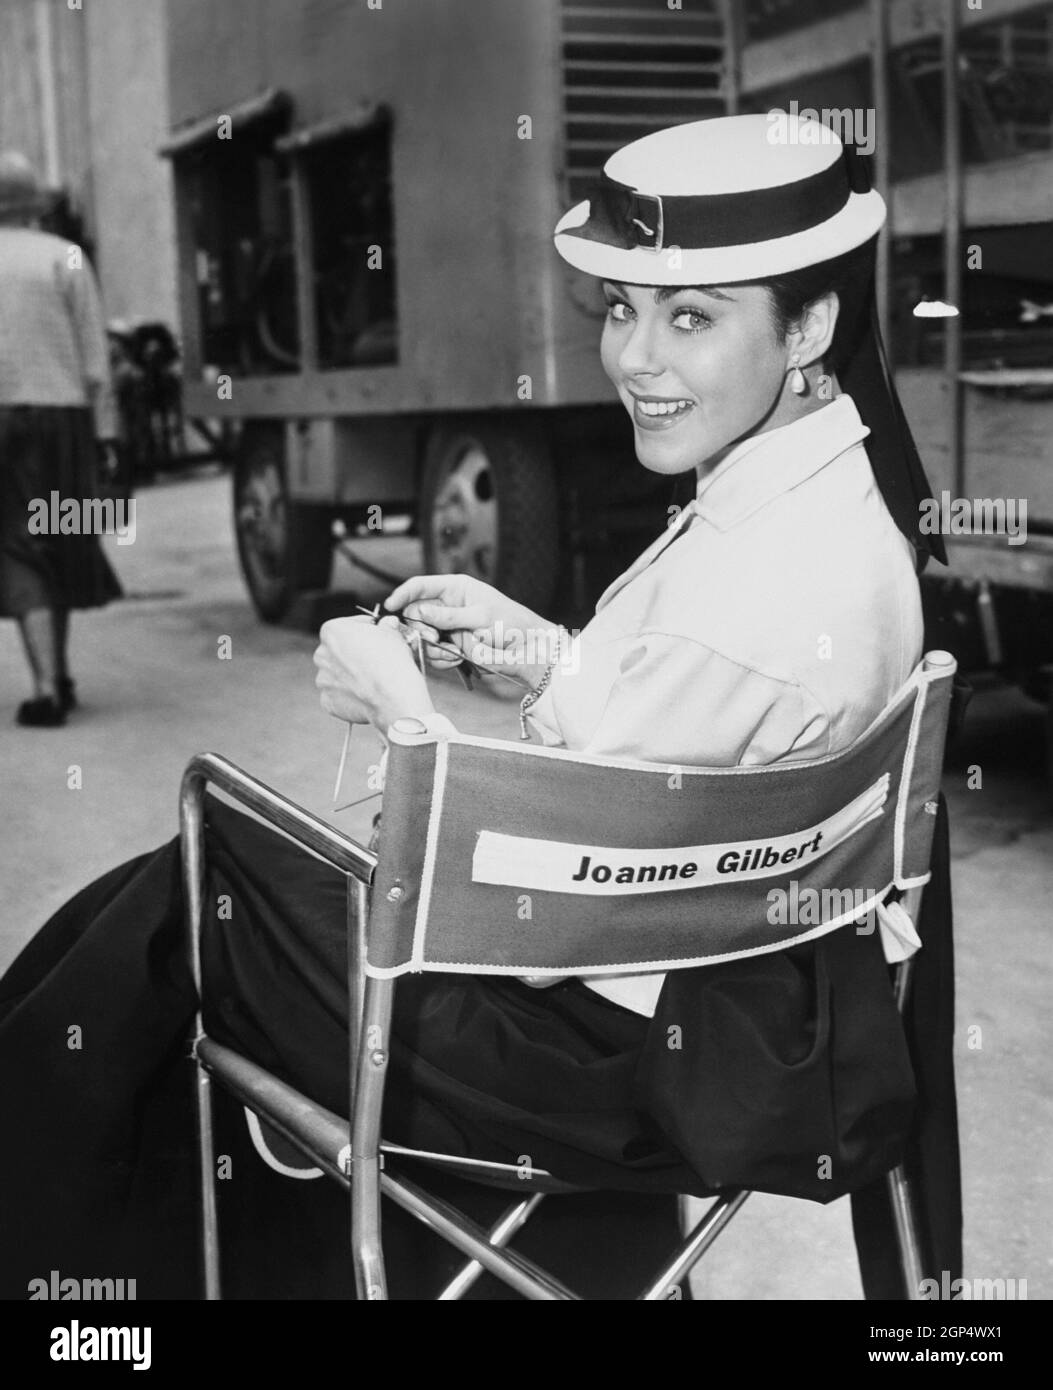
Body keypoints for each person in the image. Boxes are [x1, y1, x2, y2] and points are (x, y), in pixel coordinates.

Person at [0, 115, 959, 1299]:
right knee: (167, 902)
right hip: (713, 1000)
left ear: (809, 326)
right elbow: (671, 744)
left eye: (693, 317)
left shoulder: (759, 582)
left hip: (602, 1052)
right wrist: (540, 655)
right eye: (620, 308)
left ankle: (61, 1277)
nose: (637, 358)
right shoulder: (823, 502)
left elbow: (526, 902)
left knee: (177, 899)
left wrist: (406, 711)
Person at [0, 151, 121, 727]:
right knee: (59, 533)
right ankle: (58, 678)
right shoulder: (67, 259)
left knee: (16, 544)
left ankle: (49, 683)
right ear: (37, 205)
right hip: (63, 418)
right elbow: (96, 361)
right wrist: (109, 434)